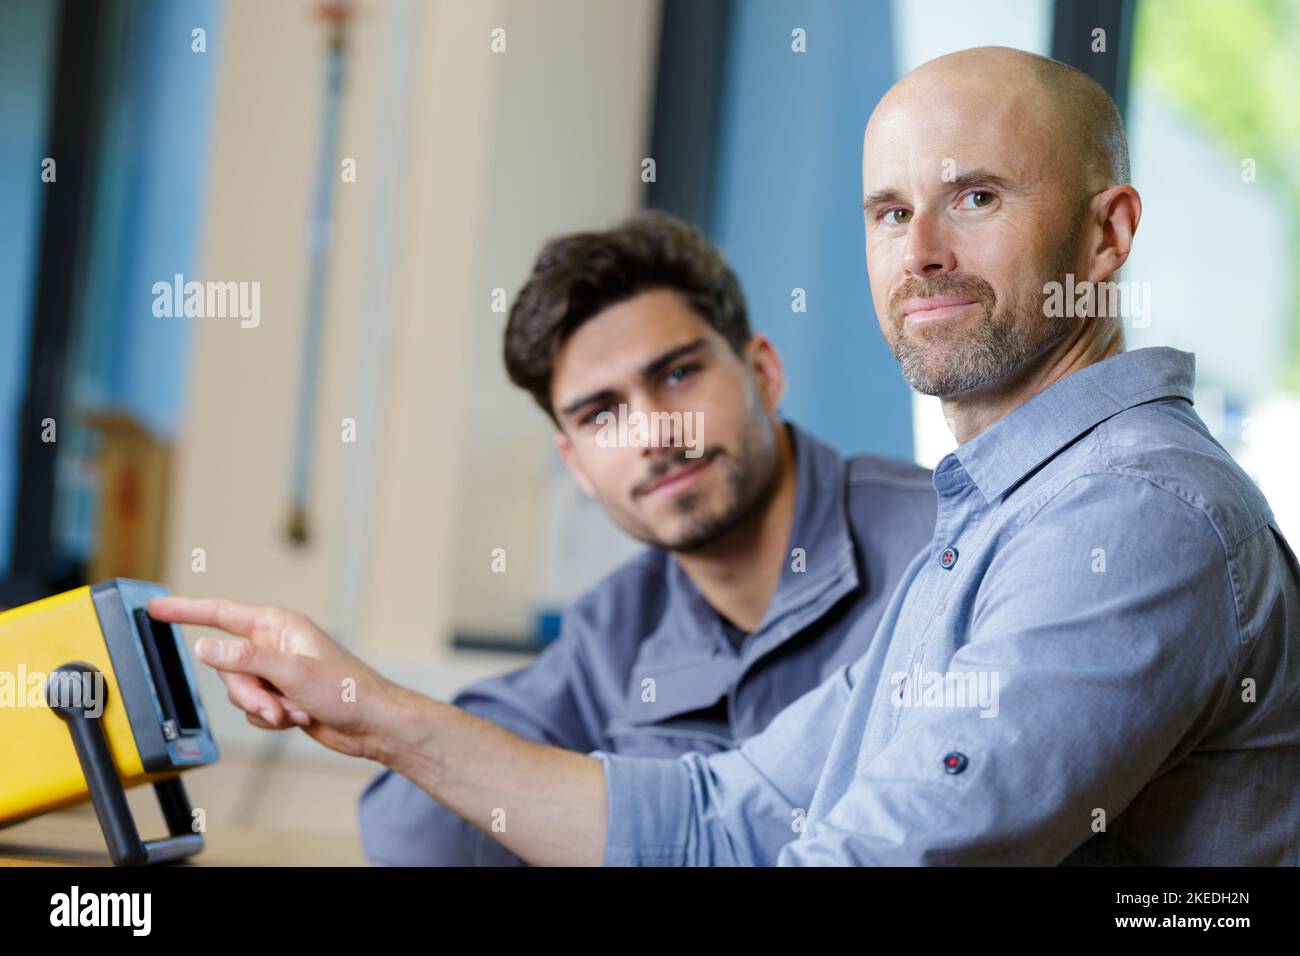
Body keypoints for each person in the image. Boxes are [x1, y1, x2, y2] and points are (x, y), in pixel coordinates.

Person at [149, 47, 1300, 865]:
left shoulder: (1127, 518)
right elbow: (725, 815)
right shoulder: (992, 519)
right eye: (889, 213)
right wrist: (366, 707)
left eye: (977, 197)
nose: (925, 253)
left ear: (1106, 236)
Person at [365, 212, 934, 864]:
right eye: (601, 413)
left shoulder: (945, 542)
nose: (655, 435)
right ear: (575, 463)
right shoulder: (614, 631)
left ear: (763, 372)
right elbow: (415, 831)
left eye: (677, 375)